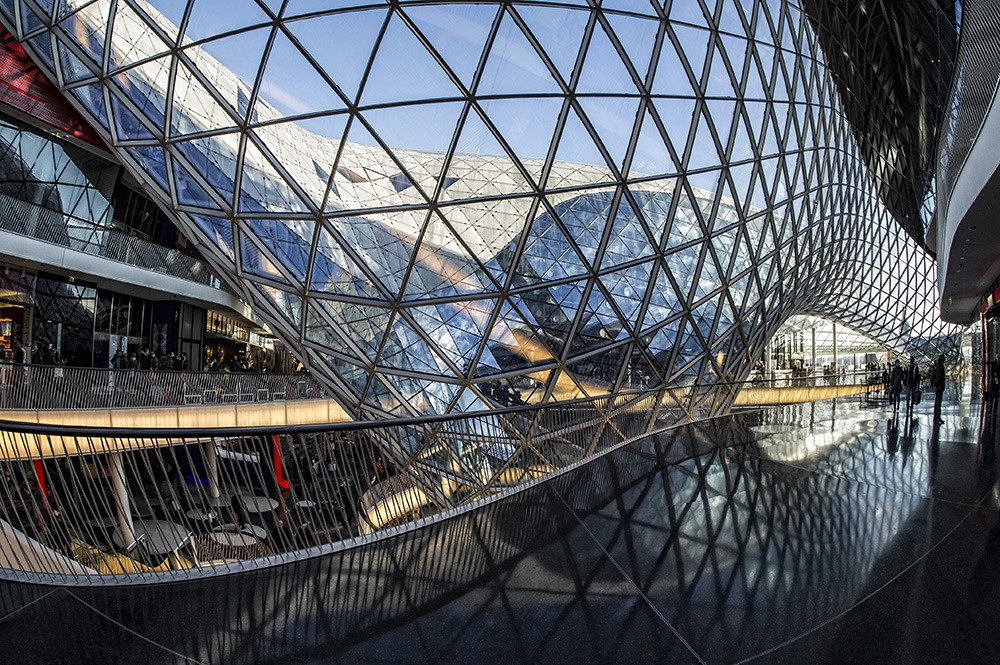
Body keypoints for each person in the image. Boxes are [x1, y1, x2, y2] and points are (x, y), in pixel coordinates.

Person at [931, 354, 946, 424]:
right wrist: (937, 385)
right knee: (938, 403)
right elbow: (938, 376)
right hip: (939, 387)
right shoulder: (940, 366)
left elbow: (934, 375)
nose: (945, 359)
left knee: (937, 402)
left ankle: (936, 417)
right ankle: (937, 417)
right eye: (944, 358)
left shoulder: (937, 366)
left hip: (938, 387)